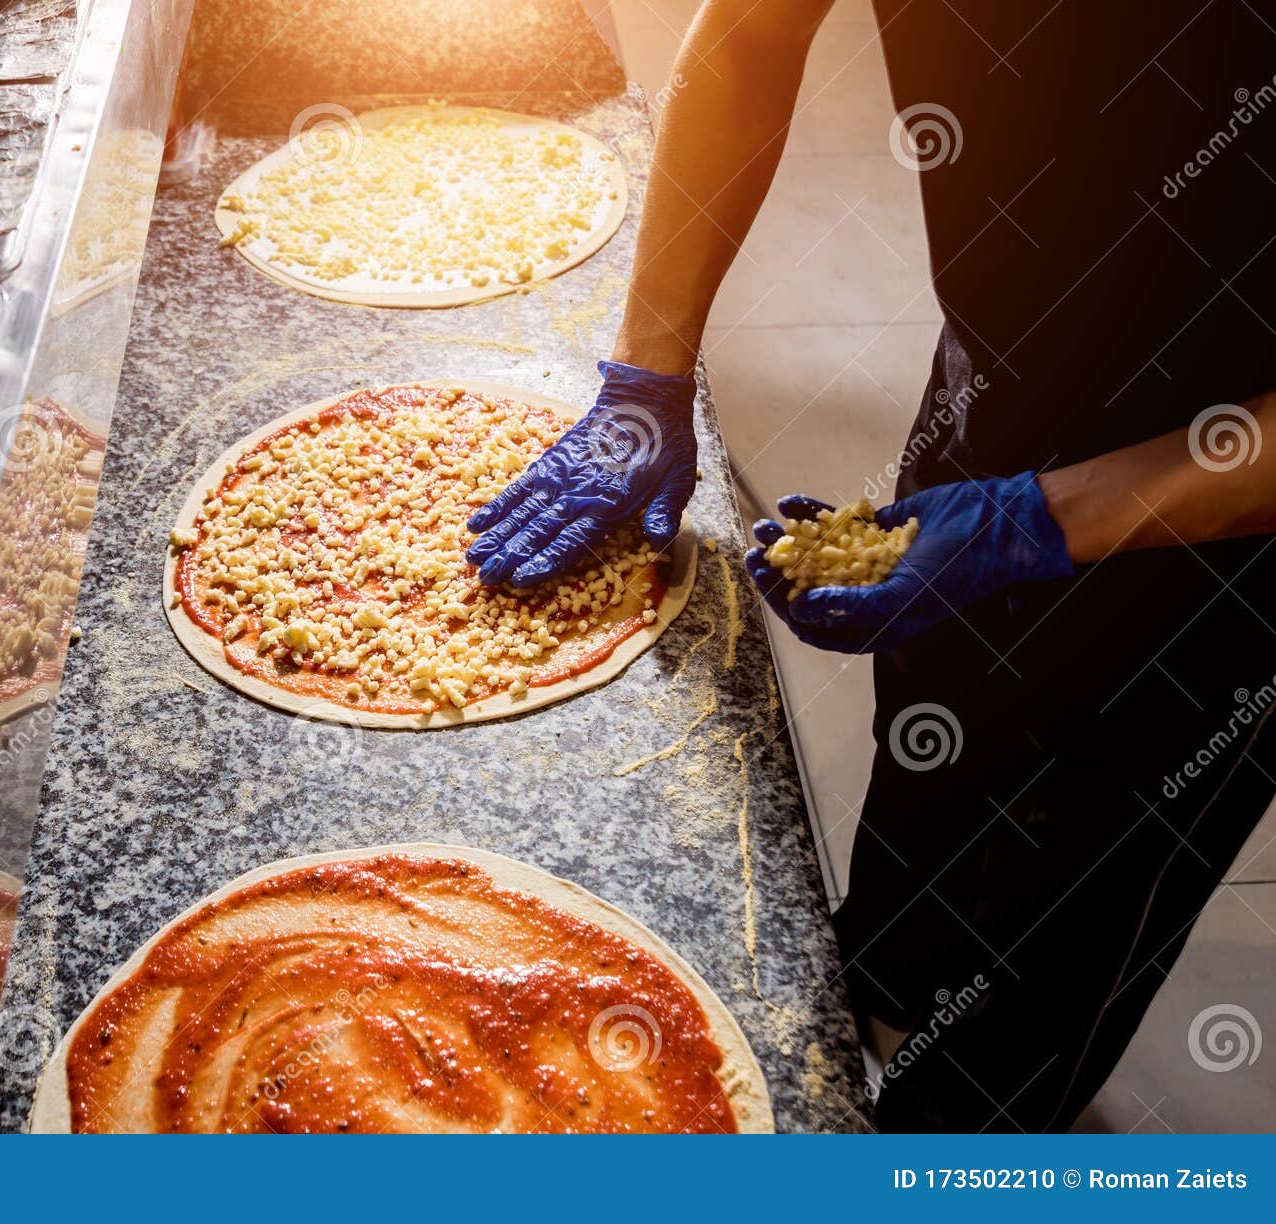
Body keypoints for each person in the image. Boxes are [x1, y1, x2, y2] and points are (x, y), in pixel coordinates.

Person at [467, 0, 1276, 1131]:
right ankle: (888, 997)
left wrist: (1041, 519)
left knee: (1054, 946)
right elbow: (749, 36)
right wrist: (646, 376)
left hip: (1218, 560)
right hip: (995, 393)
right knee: (930, 772)